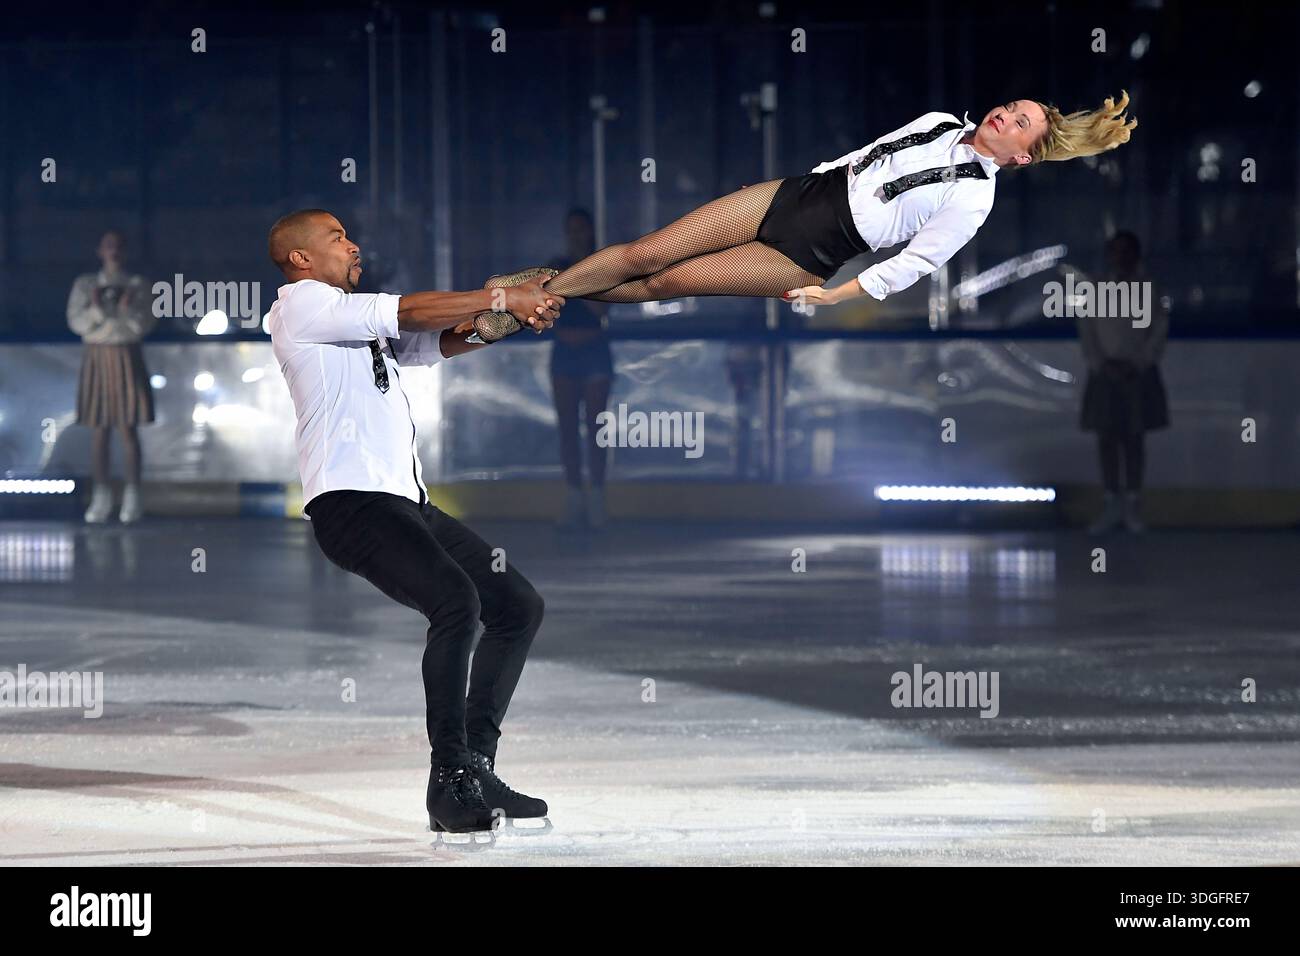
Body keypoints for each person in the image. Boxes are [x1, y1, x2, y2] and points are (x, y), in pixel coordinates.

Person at [265, 209, 562, 834]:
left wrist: (499, 321)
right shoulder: (301, 304)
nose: (354, 246)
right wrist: (500, 294)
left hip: (404, 500)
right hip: (351, 502)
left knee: (514, 604)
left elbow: (434, 342)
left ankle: (476, 765)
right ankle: (449, 778)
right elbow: (408, 311)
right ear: (300, 259)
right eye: (337, 238)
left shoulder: (345, 321)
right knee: (456, 602)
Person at [468, 93, 1137, 338]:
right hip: (800, 196)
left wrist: (834, 293)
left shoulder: (976, 198)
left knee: (668, 285)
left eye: (1019, 123)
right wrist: (810, 180)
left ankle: (535, 300)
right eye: (1012, 107)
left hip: (814, 251)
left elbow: (914, 264)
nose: (1006, 115)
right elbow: (871, 153)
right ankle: (534, 295)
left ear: (1021, 156)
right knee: (650, 252)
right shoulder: (940, 119)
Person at [1077, 230, 1169, 533]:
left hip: (1136, 374)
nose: (1121, 256)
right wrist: (1101, 364)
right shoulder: (1095, 289)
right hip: (1105, 373)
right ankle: (1110, 503)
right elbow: (1087, 333)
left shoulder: (1149, 289)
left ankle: (1131, 504)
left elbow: (1158, 331)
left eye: (1127, 250)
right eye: (1115, 250)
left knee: (1134, 438)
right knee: (1106, 438)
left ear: (1136, 255)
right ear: (1109, 255)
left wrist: (1138, 363)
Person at [66, 230, 156, 524]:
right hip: (97, 358)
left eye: (118, 246)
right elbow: (77, 323)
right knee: (100, 428)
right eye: (108, 246)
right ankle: (101, 495)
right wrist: (101, 314)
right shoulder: (85, 285)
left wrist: (122, 314)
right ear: (100, 251)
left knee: (127, 428)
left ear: (125, 251)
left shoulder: (138, 285)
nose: (113, 252)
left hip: (126, 356)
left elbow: (141, 325)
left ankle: (133, 495)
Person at [547, 209, 614, 529]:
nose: (575, 235)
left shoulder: (602, 264)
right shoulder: (555, 266)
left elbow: (601, 309)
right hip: (564, 351)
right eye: (570, 229)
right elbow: (547, 306)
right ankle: (574, 497)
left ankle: (597, 498)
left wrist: (580, 275)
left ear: (590, 232)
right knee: (568, 428)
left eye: (580, 229)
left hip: (594, 351)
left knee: (596, 428)